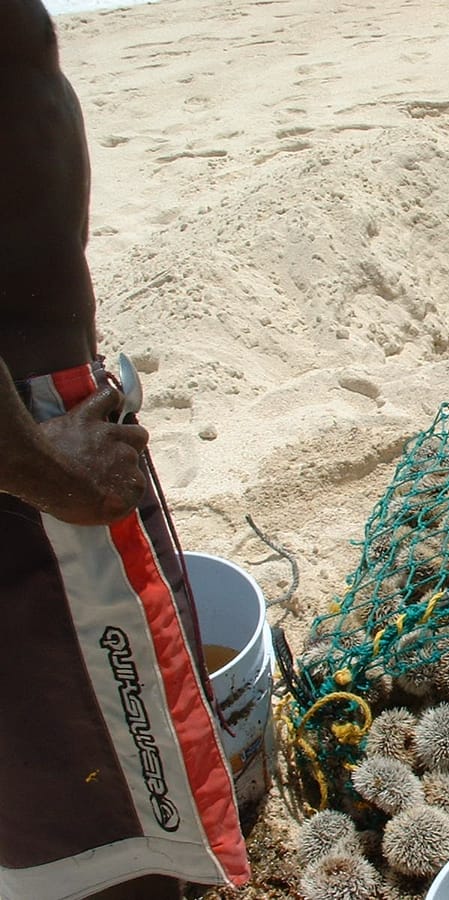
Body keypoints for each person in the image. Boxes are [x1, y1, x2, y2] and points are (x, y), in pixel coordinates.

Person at [0, 3, 249, 897]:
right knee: (108, 835)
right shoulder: (42, 469)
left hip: (43, 432)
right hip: (36, 478)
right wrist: (40, 464)